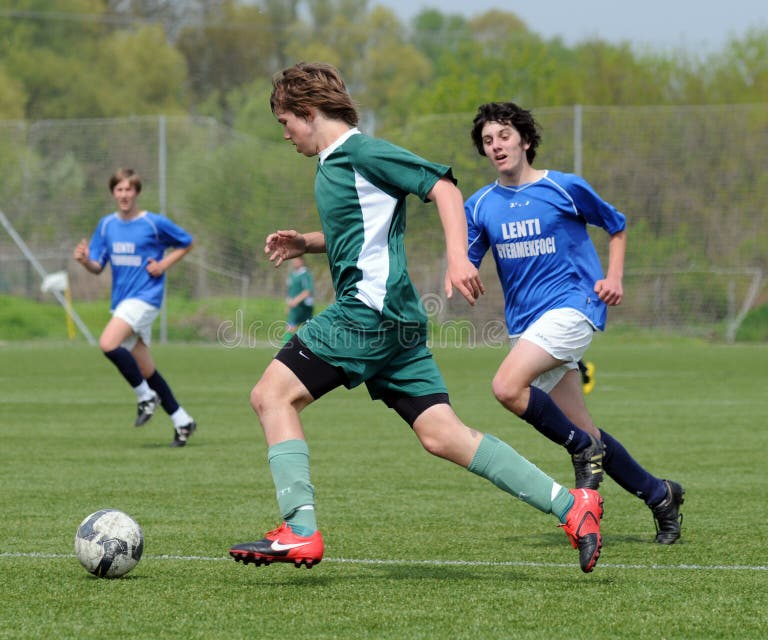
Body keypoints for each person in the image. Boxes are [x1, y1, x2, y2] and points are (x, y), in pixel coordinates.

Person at [228, 62, 604, 573]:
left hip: (368, 312)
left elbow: (444, 188)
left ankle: (299, 529)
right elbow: (366, 231)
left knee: (270, 395)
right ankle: (572, 506)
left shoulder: (360, 151)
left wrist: (457, 256)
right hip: (396, 322)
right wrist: (309, 243)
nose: (286, 134)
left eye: (285, 123)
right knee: (442, 435)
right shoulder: (336, 163)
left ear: (309, 112)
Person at [464, 102, 683, 543]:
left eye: (504, 136)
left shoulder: (564, 188)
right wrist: (460, 271)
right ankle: (660, 494)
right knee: (586, 429)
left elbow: (616, 226)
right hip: (524, 324)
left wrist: (614, 277)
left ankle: (582, 454)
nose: (496, 146)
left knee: (507, 387)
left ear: (525, 141)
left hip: (574, 306)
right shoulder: (480, 205)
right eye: (488, 141)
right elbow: (466, 258)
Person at [73, 168, 198, 448]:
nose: (124, 195)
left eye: (129, 189)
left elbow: (186, 242)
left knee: (107, 343)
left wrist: (163, 265)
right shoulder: (106, 226)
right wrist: (83, 261)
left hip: (145, 297)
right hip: (122, 301)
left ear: (137, 192)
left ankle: (145, 396)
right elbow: (96, 267)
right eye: (119, 190)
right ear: (113, 193)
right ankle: (182, 420)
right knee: (147, 370)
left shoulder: (153, 223)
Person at [282, 256, 314, 342]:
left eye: (296, 260)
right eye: (293, 260)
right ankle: (285, 351)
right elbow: (290, 291)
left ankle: (309, 351)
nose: (294, 262)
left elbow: (308, 291)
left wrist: (296, 300)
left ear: (301, 261)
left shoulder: (305, 274)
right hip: (294, 308)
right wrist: (289, 305)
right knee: (290, 327)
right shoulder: (292, 275)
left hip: (304, 307)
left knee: (307, 329)